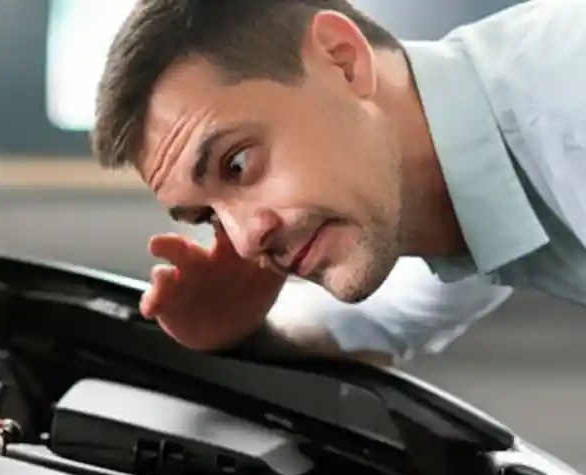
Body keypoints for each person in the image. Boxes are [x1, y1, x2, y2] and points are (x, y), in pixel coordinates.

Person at [90, 0, 584, 366]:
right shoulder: (434, 198)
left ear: (343, 59)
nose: (245, 239)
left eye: (237, 164)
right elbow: (379, 322)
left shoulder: (569, 97)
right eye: (210, 218)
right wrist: (239, 328)